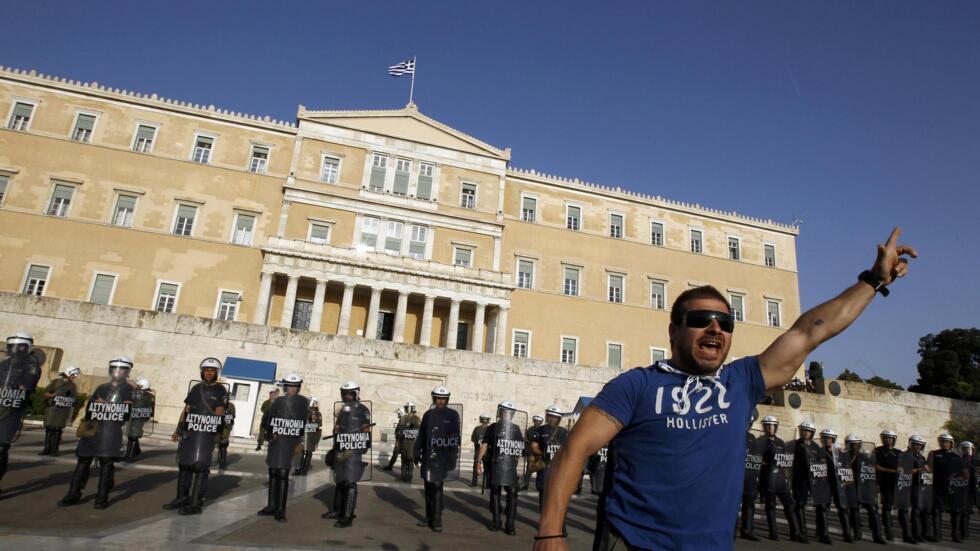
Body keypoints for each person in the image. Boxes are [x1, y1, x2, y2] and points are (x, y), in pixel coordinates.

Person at [534, 227, 916, 550]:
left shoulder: (742, 380)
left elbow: (811, 331)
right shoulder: (636, 384)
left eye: (725, 322)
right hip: (633, 542)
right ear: (674, 330)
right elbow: (574, 449)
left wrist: (873, 280)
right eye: (702, 319)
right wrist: (550, 532)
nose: (715, 328)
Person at [58, 356, 135, 509]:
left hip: (112, 430)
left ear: (127, 372)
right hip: (94, 428)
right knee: (83, 460)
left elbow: (126, 412)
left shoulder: (129, 390)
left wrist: (104, 404)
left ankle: (101, 497)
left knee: (106, 462)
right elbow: (91, 407)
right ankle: (73, 493)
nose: (118, 372)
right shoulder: (102, 387)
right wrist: (100, 405)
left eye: (122, 369)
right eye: (115, 368)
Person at [163, 358, 228, 515]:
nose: (209, 373)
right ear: (202, 372)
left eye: (212, 371)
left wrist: (217, 434)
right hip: (190, 432)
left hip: (206, 433)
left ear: (216, 373)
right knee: (184, 464)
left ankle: (196, 503)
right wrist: (178, 429)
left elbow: (219, 412)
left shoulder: (220, 390)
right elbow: (186, 409)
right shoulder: (196, 388)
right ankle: (181, 497)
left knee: (200, 466)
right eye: (206, 370)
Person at [257, 373, 309, 522]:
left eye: (295, 386)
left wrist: (300, 441)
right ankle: (271, 506)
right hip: (277, 441)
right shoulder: (278, 401)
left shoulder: (303, 402)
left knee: (283, 473)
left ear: (298, 387)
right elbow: (267, 419)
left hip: (290, 441)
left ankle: (280, 511)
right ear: (286, 386)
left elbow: (303, 422)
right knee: (273, 471)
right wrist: (269, 433)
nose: (292, 388)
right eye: (290, 385)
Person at [324, 381, 371, 527]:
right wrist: (336, 432)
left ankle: (347, 516)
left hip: (354, 450)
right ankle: (337, 510)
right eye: (345, 394)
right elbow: (337, 427)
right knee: (340, 480)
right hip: (340, 448)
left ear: (356, 394)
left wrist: (364, 446)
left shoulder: (363, 410)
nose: (347, 397)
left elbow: (366, 430)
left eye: (350, 394)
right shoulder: (343, 410)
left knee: (350, 482)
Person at [414, 385, 461, 532]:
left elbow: (455, 438)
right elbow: (421, 435)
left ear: (447, 400)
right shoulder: (428, 415)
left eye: (443, 399)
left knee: (437, 487)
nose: (440, 401)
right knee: (428, 487)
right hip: (428, 456)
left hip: (442, 457)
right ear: (434, 399)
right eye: (438, 398)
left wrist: (453, 457)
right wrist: (416, 452)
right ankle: (428, 517)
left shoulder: (453, 415)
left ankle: (437, 519)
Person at [0, 332, 43, 490]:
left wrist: (15, 386)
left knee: (2, 446)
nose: (16, 349)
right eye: (13, 346)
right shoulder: (4, 364)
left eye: (20, 346)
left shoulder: (32, 366)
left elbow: (27, 386)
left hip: (12, 410)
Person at [476, 400, 525, 535]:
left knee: (513, 493)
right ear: (500, 413)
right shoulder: (493, 427)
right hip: (496, 464)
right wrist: (478, 461)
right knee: (495, 492)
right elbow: (485, 444)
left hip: (510, 466)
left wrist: (520, 465)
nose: (507, 414)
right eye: (505, 412)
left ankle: (510, 524)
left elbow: (520, 447)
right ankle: (496, 521)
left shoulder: (515, 428)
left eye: (510, 412)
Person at [759, 416, 799, 541]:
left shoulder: (781, 442)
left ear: (776, 427)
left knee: (790, 505)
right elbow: (756, 459)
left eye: (772, 426)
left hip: (781, 479)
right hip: (768, 478)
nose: (770, 428)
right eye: (767, 425)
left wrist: (788, 477)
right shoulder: (760, 442)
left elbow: (786, 460)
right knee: (771, 506)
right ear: (764, 427)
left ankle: (796, 533)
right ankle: (773, 533)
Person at [846, 434, 887, 543]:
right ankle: (857, 534)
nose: (855, 447)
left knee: (873, 510)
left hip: (865, 487)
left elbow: (872, 469)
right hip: (852, 486)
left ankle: (878, 535)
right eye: (852, 445)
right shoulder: (845, 457)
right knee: (854, 510)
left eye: (857, 444)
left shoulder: (865, 456)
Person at [531, 405, 568, 512]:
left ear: (559, 419)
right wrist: (543, 453)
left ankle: (556, 516)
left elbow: (569, 449)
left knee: (558, 492)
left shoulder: (564, 432)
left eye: (555, 417)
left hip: (559, 467)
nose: (553, 419)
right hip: (544, 466)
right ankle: (544, 513)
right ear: (547, 417)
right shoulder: (540, 430)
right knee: (543, 491)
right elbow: (533, 446)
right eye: (551, 416)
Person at [39, 366, 81, 457]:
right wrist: (52, 395)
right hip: (51, 408)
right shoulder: (55, 382)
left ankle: (54, 450)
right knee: (49, 428)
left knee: (57, 429)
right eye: (73, 375)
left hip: (62, 410)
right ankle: (47, 448)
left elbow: (74, 398)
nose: (74, 377)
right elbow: (45, 393)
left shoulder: (72, 386)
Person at [820, 428, 851, 543]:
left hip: (838, 484)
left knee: (843, 508)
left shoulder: (839, 452)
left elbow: (846, 466)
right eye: (825, 438)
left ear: (833, 439)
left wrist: (846, 480)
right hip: (824, 484)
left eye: (829, 438)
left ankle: (847, 534)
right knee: (823, 508)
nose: (827, 440)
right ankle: (823, 534)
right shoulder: (818, 451)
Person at [791, 420, 818, 543]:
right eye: (803, 430)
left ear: (812, 433)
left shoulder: (815, 446)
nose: (805, 433)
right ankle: (801, 532)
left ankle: (820, 532)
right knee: (799, 504)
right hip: (798, 478)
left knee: (817, 505)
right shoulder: (795, 444)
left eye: (808, 431)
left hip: (811, 479)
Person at [899, 434, 928, 543]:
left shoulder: (922, 457)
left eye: (920, 445)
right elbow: (904, 470)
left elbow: (926, 471)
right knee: (904, 510)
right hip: (905, 485)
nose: (918, 447)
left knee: (917, 510)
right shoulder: (904, 455)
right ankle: (907, 535)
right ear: (911, 444)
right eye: (916, 444)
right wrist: (920, 469)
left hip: (917, 486)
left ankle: (917, 534)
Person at [929, 432, 956, 541]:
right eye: (943, 442)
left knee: (955, 511)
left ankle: (956, 534)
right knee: (936, 510)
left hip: (952, 488)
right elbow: (929, 469)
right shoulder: (934, 454)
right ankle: (937, 534)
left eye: (947, 442)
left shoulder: (956, 457)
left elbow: (960, 472)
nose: (945, 444)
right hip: (937, 487)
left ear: (951, 443)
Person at [874, 429, 900, 541]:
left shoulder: (898, 452)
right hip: (884, 482)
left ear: (893, 439)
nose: (888, 440)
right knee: (887, 507)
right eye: (886, 438)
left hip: (897, 483)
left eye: (890, 438)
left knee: (899, 508)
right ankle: (889, 531)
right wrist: (892, 471)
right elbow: (876, 466)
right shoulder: (878, 451)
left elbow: (904, 465)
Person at [124, 378, 155, 462]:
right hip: (140, 416)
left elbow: (136, 403)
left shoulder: (140, 395)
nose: (136, 386)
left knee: (133, 435)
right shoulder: (149, 395)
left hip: (138, 416)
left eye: (138, 385)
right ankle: (136, 451)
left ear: (142, 386)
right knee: (133, 433)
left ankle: (130, 456)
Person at [293, 397, 321, 476]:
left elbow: (317, 425)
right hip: (303, 434)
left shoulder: (317, 413)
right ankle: (298, 469)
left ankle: (304, 470)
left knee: (308, 452)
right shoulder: (305, 412)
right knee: (300, 452)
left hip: (311, 435)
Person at [395, 402, 420, 483]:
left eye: (407, 407)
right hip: (404, 441)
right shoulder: (404, 418)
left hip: (412, 442)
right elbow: (399, 430)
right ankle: (403, 476)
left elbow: (419, 430)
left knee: (410, 459)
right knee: (403, 459)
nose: (406, 409)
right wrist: (398, 441)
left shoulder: (417, 419)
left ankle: (409, 476)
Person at [959, 441, 975, 541]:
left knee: (967, 512)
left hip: (972, 489)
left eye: (969, 449)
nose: (967, 451)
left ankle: (965, 531)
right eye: (965, 449)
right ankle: (963, 532)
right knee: (964, 512)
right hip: (964, 488)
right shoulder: (961, 461)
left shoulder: (974, 461)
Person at [523, 415, 544, 491]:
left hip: (540, 454)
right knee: (529, 470)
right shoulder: (530, 430)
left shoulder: (543, 430)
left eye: (539, 421)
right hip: (531, 453)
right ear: (534, 421)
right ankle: (525, 485)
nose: (537, 423)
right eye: (536, 421)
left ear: (541, 422)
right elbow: (526, 442)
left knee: (540, 470)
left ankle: (539, 486)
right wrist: (528, 453)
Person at [471, 412, 490, 487]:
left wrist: (478, 443)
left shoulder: (477, 428)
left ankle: (474, 482)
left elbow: (473, 439)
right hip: (487, 450)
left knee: (476, 465)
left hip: (478, 450)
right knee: (487, 467)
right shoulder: (490, 428)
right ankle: (487, 483)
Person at [384, 406, 405, 472]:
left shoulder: (403, 421)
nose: (398, 415)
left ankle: (391, 467)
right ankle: (390, 466)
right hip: (400, 440)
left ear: (401, 413)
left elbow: (400, 432)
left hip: (400, 441)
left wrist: (397, 442)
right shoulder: (401, 420)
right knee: (395, 455)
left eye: (398, 413)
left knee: (396, 454)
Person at [217, 401, 235, 470]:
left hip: (225, 427)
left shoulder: (230, 405)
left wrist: (227, 414)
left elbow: (232, 416)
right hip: (216, 426)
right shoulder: (217, 403)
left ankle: (222, 463)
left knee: (223, 445)